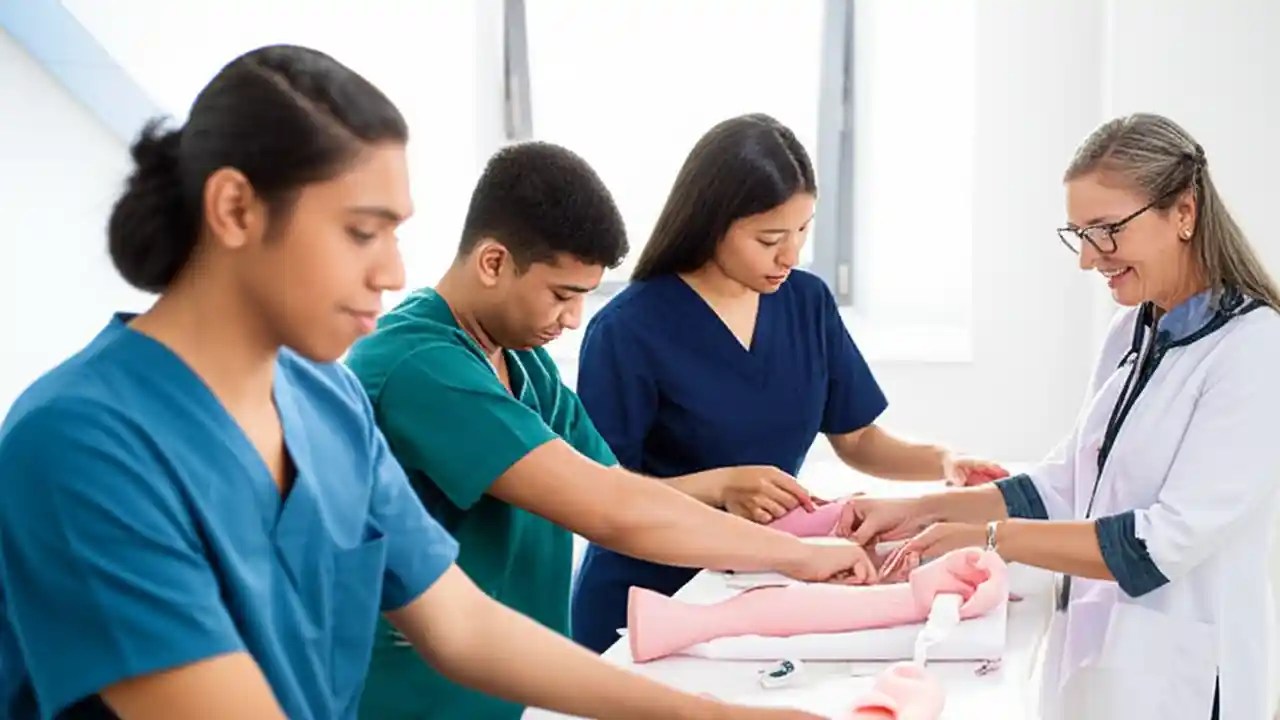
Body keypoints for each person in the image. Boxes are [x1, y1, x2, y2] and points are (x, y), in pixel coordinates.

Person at [0, 45, 831, 720]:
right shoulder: (79, 443)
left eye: (396, 234)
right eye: (363, 233)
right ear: (236, 210)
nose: (395, 270)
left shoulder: (325, 408)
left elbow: (461, 623)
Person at [344, 140, 877, 719]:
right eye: (561, 295)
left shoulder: (521, 364)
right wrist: (794, 556)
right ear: (494, 262)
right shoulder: (419, 365)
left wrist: (795, 549)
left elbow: (622, 488)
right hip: (412, 700)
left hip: (504, 697)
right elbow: (611, 511)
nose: (572, 320)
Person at [840, 113, 1280, 720]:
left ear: (1184, 212)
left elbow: (1160, 543)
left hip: (1185, 681)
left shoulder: (1255, 349)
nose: (1088, 259)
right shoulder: (1133, 330)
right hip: (1098, 666)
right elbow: (1067, 483)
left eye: (1107, 231)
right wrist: (917, 509)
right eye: (1079, 234)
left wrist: (994, 539)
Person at [567, 113, 1007, 654]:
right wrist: (720, 485)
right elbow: (595, 495)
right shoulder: (629, 329)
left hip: (758, 584)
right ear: (711, 222)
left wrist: (942, 460)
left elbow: (859, 439)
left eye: (804, 230)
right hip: (644, 598)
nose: (791, 255)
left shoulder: (805, 302)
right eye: (770, 238)